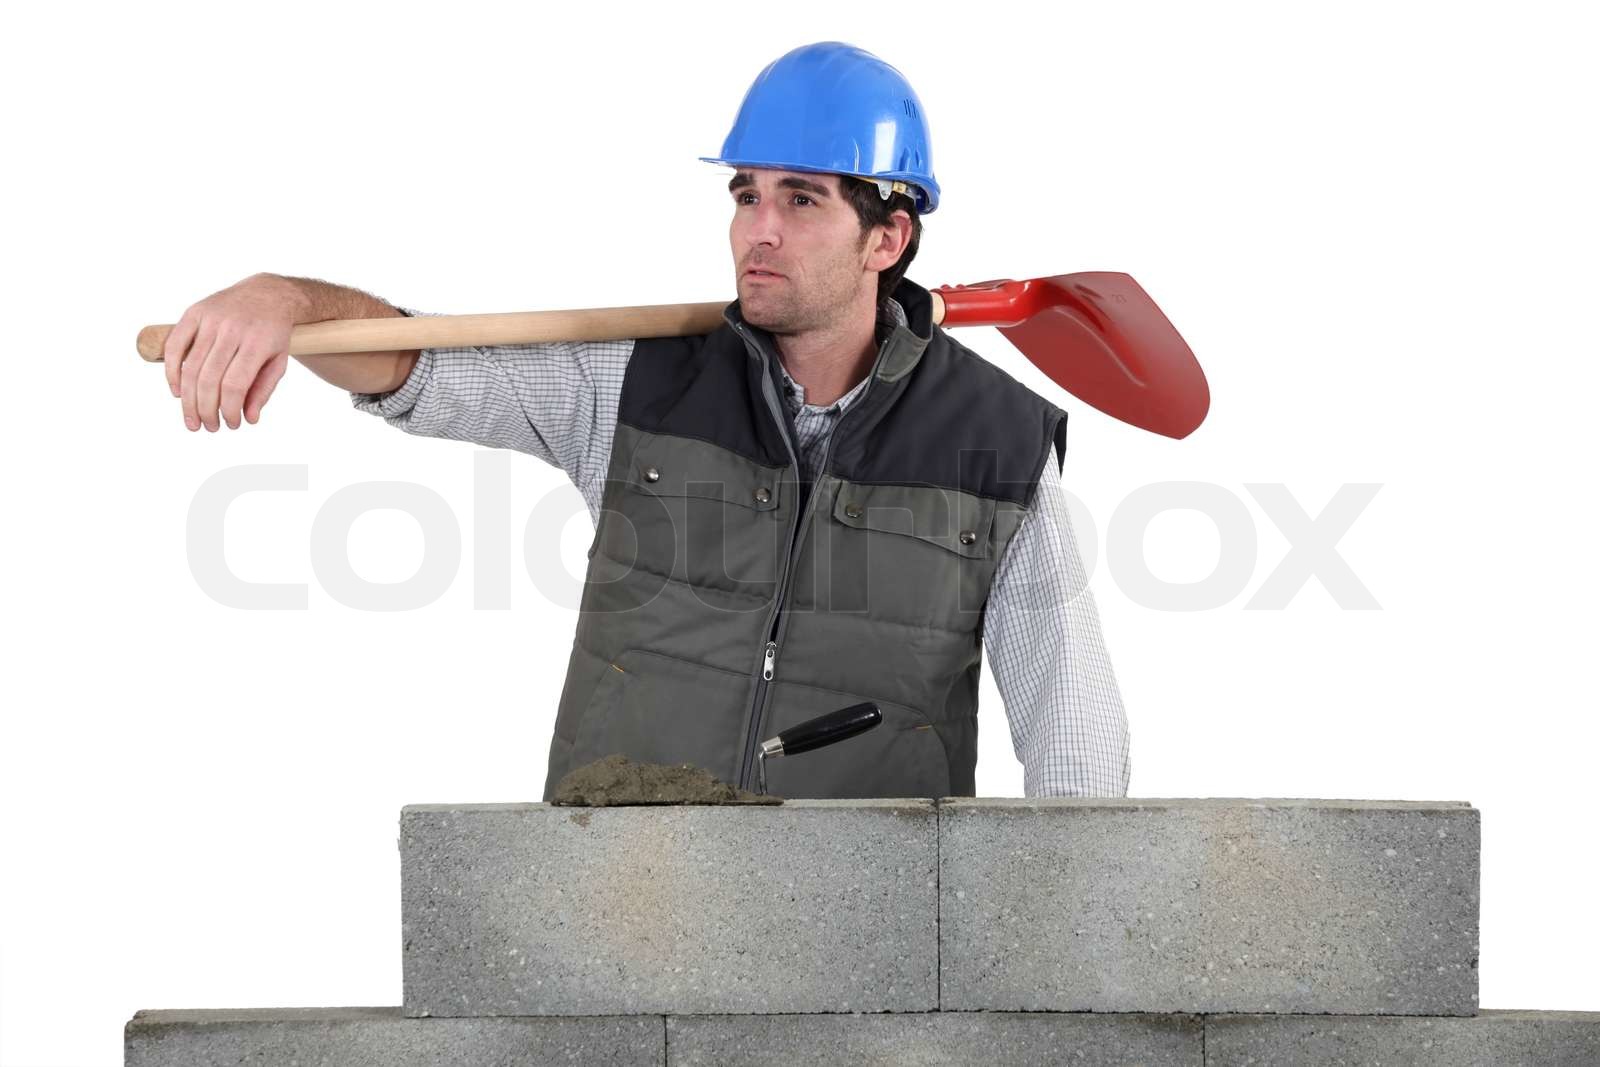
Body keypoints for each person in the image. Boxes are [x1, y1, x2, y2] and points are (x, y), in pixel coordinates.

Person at [162, 42, 1130, 800]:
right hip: (622, 903)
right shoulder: (634, 388)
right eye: (746, 194)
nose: (760, 228)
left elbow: (1075, 744)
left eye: (802, 199)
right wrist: (285, 303)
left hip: (868, 930)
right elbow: (419, 365)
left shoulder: (995, 446)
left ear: (889, 235)